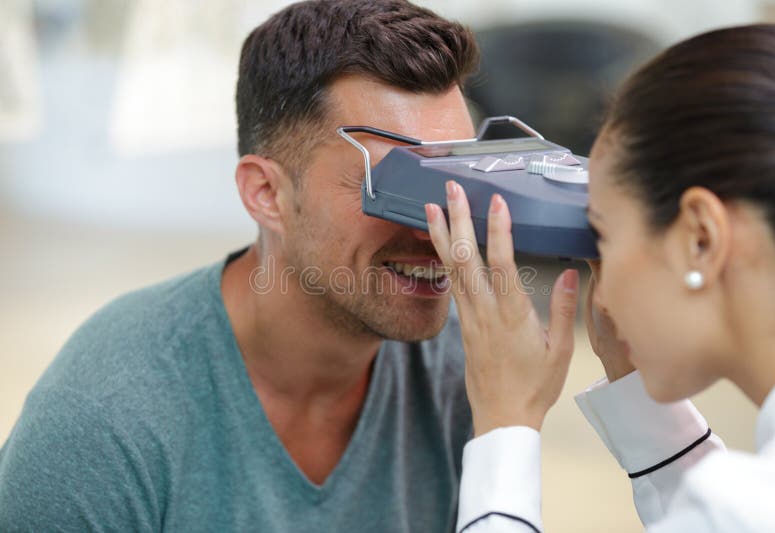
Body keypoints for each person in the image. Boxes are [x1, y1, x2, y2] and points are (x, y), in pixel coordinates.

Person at [0, 1, 480, 531]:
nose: (439, 228)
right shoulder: (102, 420)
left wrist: (511, 431)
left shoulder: (469, 377)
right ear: (267, 193)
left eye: (456, 181)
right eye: (394, 186)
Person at [425, 23, 775, 532]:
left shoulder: (746, 505)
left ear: (701, 238)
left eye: (600, 234)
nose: (601, 287)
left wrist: (505, 418)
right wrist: (635, 380)